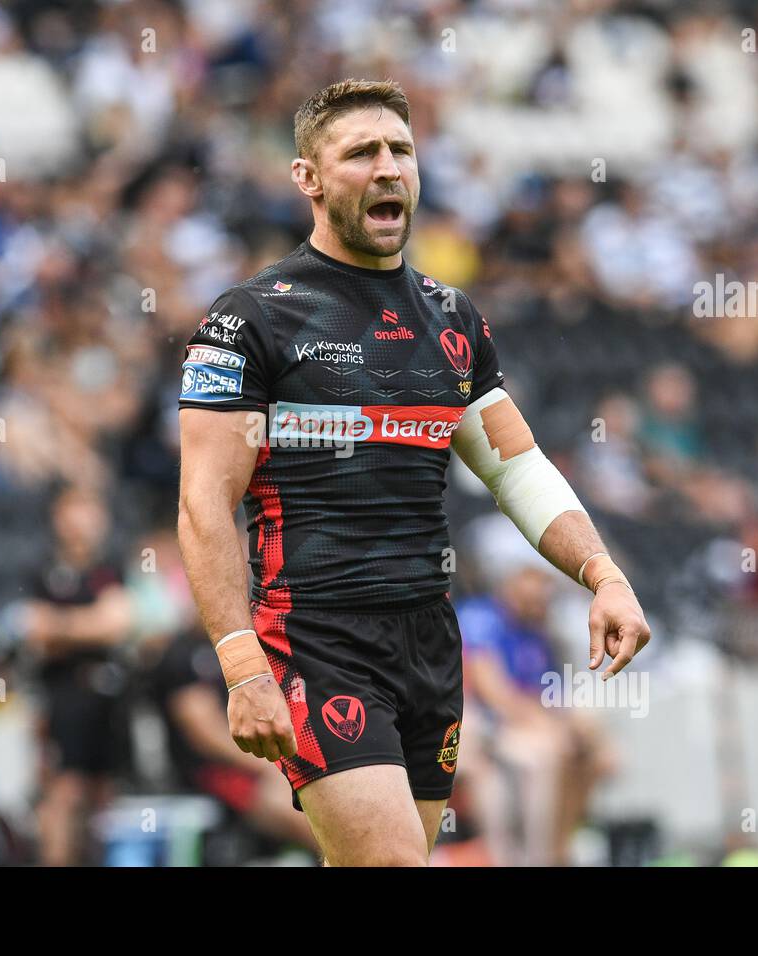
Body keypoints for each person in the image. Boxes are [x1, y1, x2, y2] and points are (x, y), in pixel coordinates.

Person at [177, 78, 652, 866]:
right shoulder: (251, 318)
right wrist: (240, 664)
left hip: (430, 641)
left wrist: (604, 574)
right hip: (313, 638)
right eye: (360, 152)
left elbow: (517, 469)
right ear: (309, 178)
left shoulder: (453, 319)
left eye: (400, 149)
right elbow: (202, 504)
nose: (388, 166)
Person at [458, 565, 616, 865]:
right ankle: (538, 858)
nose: (542, 596)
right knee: (544, 754)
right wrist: (550, 725)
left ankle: (560, 850)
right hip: (482, 724)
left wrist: (578, 729)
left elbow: (553, 696)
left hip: (525, 725)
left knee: (592, 753)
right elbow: (496, 696)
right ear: (511, 582)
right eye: (534, 584)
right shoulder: (481, 618)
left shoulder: (538, 629)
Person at [23, 484, 132, 866]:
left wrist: (62, 625)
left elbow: (117, 624)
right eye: (74, 509)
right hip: (61, 694)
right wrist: (88, 623)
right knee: (64, 793)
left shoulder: (110, 567)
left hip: (107, 696)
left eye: (90, 508)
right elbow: (35, 630)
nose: (82, 519)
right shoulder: (43, 569)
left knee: (103, 795)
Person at [149, 629, 319, 857]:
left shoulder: (254, 643)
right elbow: (204, 734)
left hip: (264, 756)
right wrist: (268, 767)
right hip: (212, 770)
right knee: (295, 812)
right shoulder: (182, 653)